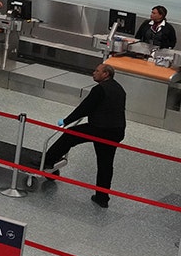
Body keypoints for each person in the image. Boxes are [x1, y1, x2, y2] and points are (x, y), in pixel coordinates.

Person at [41, 63, 127, 207]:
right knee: (106, 164)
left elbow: (84, 108)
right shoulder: (119, 88)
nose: (94, 73)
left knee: (69, 136)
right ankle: (102, 197)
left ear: (106, 74)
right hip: (116, 130)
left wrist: (66, 121)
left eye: (97, 71)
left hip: (100, 128)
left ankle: (48, 161)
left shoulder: (99, 89)